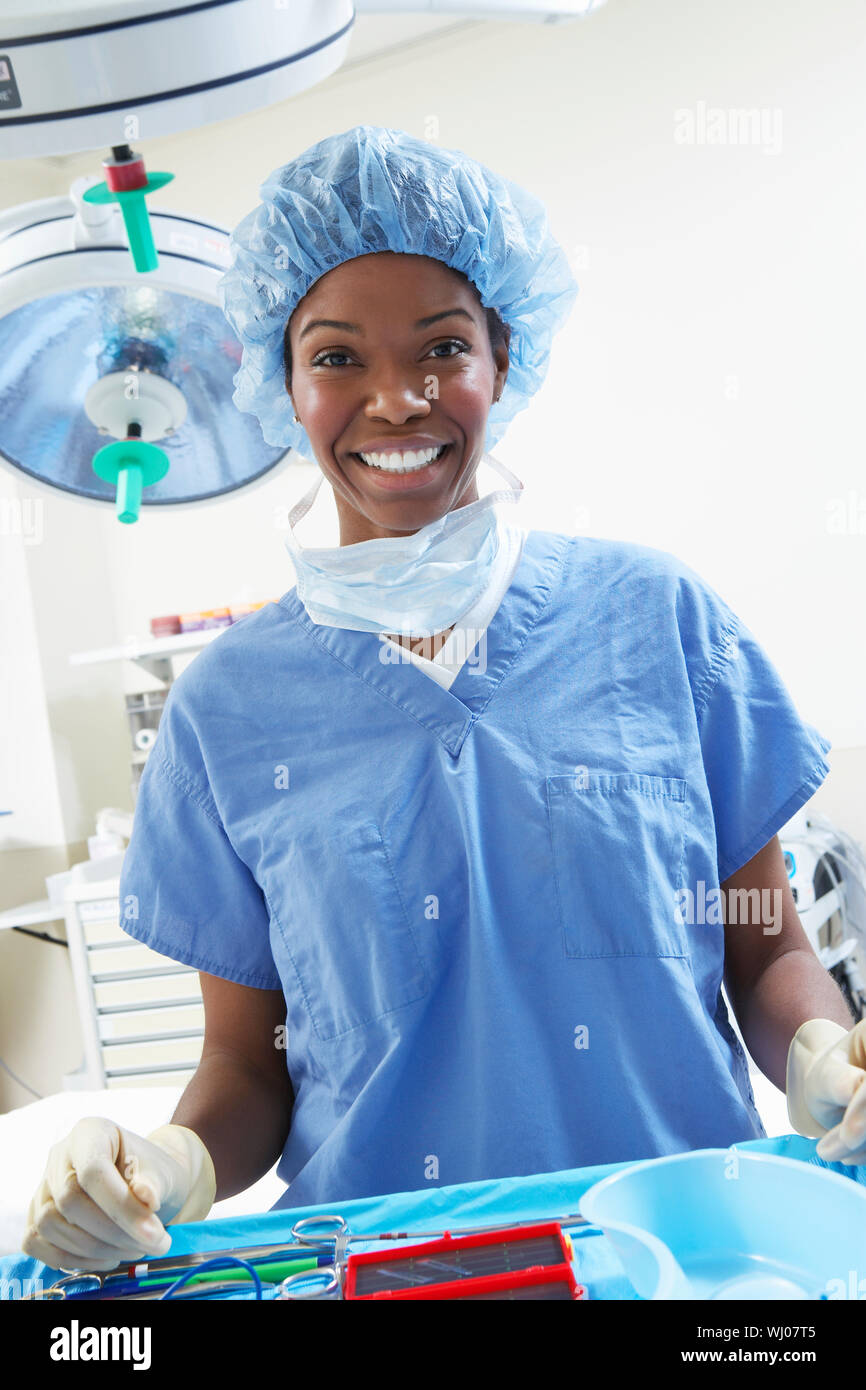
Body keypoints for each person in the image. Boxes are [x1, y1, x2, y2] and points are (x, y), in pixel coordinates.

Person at [22, 126, 866, 1275]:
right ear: (280, 381)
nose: (393, 399)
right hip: (388, 1269)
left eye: (440, 348)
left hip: (685, 1250)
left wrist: (822, 1053)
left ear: (500, 360)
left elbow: (759, 947)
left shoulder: (656, 619)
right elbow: (250, 1062)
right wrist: (164, 1162)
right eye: (333, 358)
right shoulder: (227, 711)